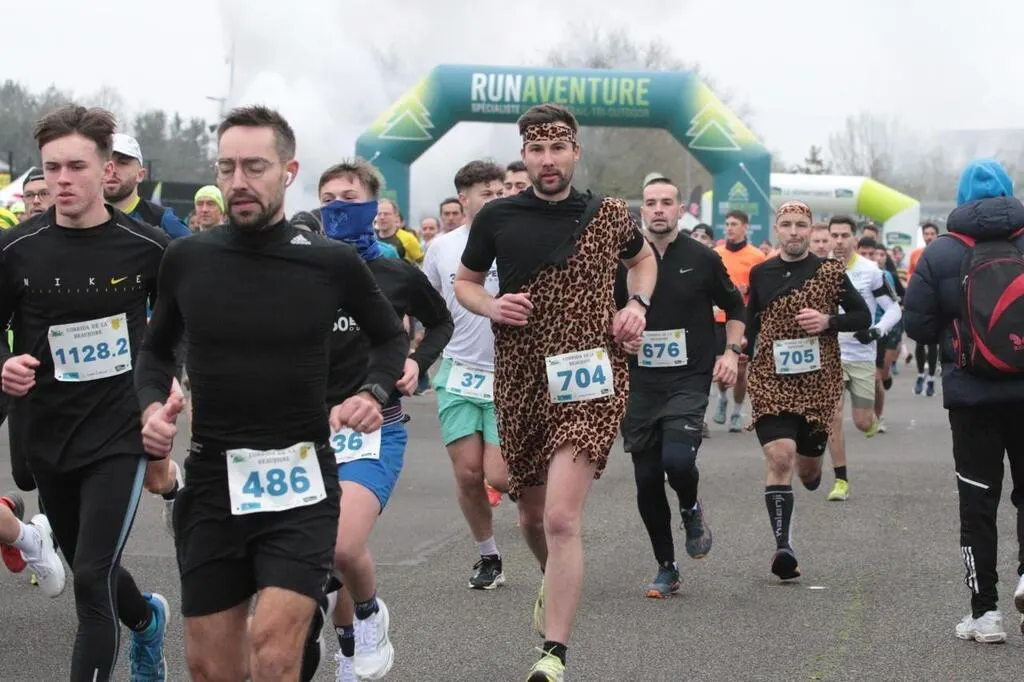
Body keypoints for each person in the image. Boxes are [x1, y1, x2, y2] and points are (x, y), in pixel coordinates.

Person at [134, 105, 409, 681]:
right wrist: (153, 408)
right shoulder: (187, 258)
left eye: (254, 167)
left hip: (300, 477)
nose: (238, 181)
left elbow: (389, 338)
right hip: (213, 481)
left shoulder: (330, 262)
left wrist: (372, 391)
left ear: (288, 171)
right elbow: (156, 352)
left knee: (275, 651)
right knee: (211, 669)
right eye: (226, 167)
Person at [455, 103, 656, 681]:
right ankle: (553, 577)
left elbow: (643, 260)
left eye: (558, 148)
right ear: (524, 155)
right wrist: (492, 305)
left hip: (591, 375)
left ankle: (554, 653)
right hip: (521, 378)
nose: (548, 160)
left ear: (575, 152)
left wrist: (636, 305)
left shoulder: (609, 213)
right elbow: (466, 283)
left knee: (562, 519)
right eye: (537, 150)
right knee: (531, 517)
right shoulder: (496, 217)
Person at [1, 104, 171, 681]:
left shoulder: (147, 247)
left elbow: (177, 329)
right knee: (88, 569)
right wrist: (4, 366)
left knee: (92, 580)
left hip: (118, 431)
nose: (63, 180)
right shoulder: (16, 249)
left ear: (106, 170)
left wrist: (166, 386)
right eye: (52, 168)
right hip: (47, 432)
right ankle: (146, 620)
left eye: (76, 166)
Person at [312, 158, 453, 681]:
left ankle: (371, 614)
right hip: (307, 432)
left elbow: (440, 321)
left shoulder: (396, 272)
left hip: (375, 429)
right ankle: (349, 650)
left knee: (343, 544)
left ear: (373, 207)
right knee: (327, 558)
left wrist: (417, 361)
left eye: (349, 198)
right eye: (328, 199)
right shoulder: (305, 269)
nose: (337, 207)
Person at [904, 159, 1024, 644]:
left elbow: (917, 325)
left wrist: (956, 333)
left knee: (978, 503)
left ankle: (985, 613)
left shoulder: (942, 251)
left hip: (971, 398)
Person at [616, 176, 744, 598]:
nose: (658, 209)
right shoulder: (623, 261)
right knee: (647, 478)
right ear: (642, 211)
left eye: (666, 202)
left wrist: (731, 353)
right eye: (651, 202)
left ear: (680, 210)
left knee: (677, 461)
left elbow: (735, 306)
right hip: (639, 381)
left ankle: (690, 505)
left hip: (688, 378)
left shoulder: (701, 257)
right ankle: (666, 567)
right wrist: (620, 336)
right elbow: (605, 314)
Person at [745, 200, 870, 581]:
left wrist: (828, 320)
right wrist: (736, 354)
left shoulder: (829, 272)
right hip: (771, 378)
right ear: (777, 229)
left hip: (817, 382)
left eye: (801, 225)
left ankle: (813, 468)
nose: (794, 232)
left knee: (808, 471)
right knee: (780, 456)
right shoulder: (761, 273)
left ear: (811, 229)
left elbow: (862, 316)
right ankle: (783, 546)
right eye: (787, 224)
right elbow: (751, 323)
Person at [422, 160, 511, 589]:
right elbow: (428, 304)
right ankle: (488, 555)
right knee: (468, 474)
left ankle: (545, 512)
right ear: (464, 198)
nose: (494, 199)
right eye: (485, 194)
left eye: (499, 192)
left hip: (507, 373)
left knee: (500, 478)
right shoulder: (441, 247)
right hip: (458, 371)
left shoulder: (515, 240)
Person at [823, 218, 901, 502]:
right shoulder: (820, 268)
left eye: (844, 235)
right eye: (834, 235)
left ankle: (871, 422)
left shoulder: (871, 272)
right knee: (833, 417)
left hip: (861, 355)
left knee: (861, 421)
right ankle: (840, 480)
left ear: (855, 238)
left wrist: (876, 331)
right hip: (830, 355)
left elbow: (894, 309)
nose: (839, 241)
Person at [712, 210, 766, 432]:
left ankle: (736, 411)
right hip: (719, 319)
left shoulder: (757, 256)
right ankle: (723, 398)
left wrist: (749, 290)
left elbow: (763, 290)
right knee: (721, 367)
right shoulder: (716, 254)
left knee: (741, 370)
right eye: (727, 224)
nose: (729, 228)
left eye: (734, 224)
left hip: (744, 320)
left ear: (745, 227)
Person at [103, 133, 191, 240]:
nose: (112, 170)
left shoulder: (161, 219)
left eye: (122, 163)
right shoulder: (85, 218)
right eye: (106, 162)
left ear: (140, 175)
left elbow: (194, 249)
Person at [868, 239, 902, 432]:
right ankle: (872, 414)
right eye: (873, 254)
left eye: (881, 255)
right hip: (866, 332)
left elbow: (900, 298)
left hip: (886, 329)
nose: (876, 258)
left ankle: (878, 417)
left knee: (879, 376)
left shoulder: (887, 275)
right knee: (875, 377)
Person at [907, 222, 940, 396]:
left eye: (932, 233)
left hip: (935, 303)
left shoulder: (942, 254)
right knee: (919, 342)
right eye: (926, 233)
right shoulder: (915, 254)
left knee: (933, 343)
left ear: (937, 235)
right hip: (919, 303)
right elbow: (910, 274)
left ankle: (931, 379)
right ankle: (920, 375)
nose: (929, 237)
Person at [375, 198, 423, 265]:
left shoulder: (408, 238)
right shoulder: (370, 237)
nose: (382, 217)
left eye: (386, 214)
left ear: (396, 216)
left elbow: (422, 262)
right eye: (379, 214)